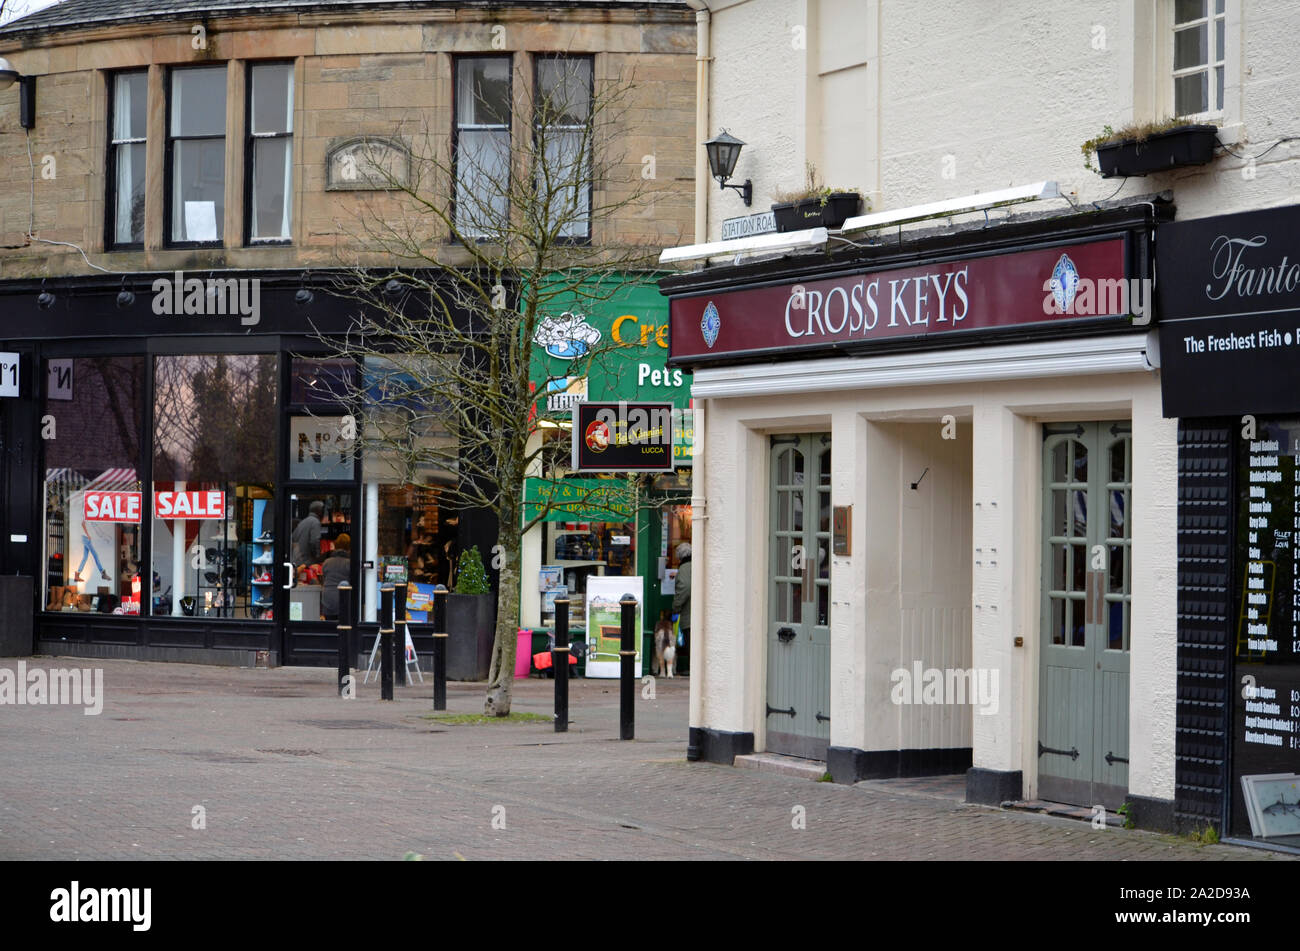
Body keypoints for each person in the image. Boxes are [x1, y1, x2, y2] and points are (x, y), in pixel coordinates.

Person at [320, 533, 351, 621]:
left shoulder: (326, 562)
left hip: (327, 598)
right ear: (349, 547)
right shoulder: (349, 563)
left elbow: (324, 579)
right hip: (343, 598)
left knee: (329, 626)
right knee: (344, 626)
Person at [671, 541, 691, 671]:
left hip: (689, 613)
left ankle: (691, 668)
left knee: (691, 640)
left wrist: (676, 607)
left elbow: (685, 587)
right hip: (695, 611)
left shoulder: (684, 568)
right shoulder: (697, 564)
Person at [290, 500, 324, 568]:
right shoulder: (315, 522)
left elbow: (293, 539)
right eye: (323, 510)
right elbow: (314, 541)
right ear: (319, 511)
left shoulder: (303, 522)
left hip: (298, 560)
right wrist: (317, 557)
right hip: (307, 562)